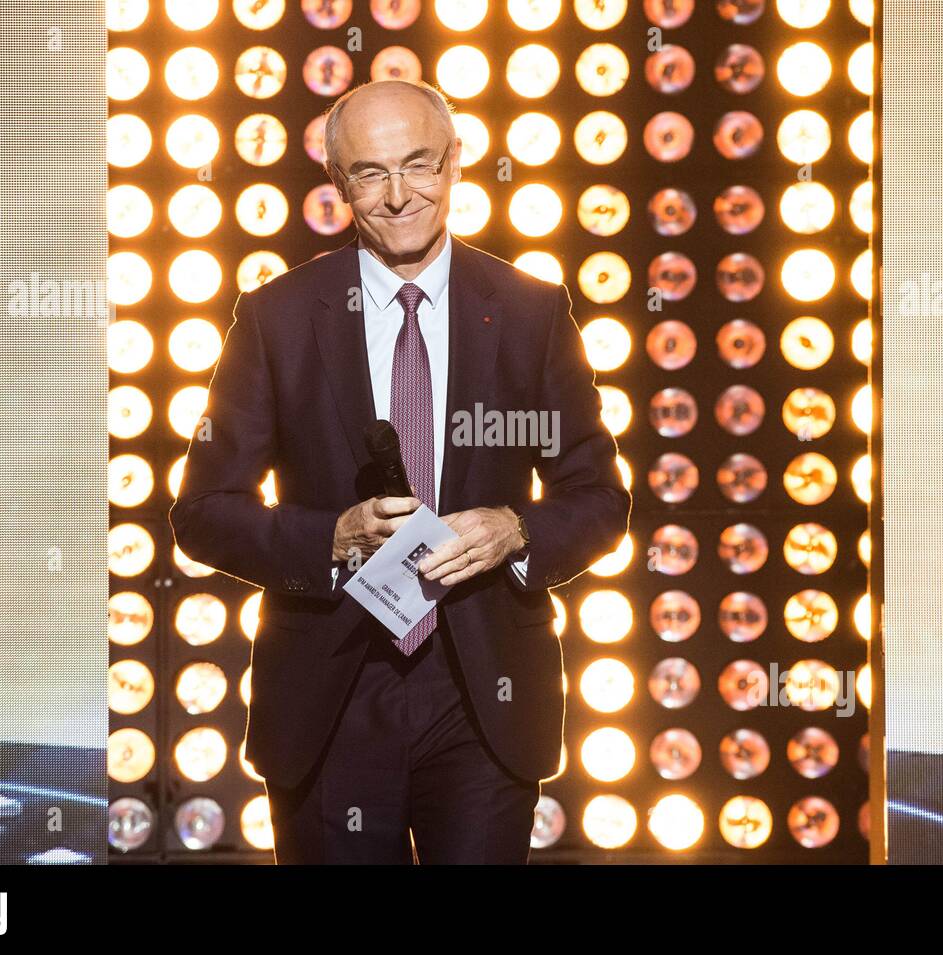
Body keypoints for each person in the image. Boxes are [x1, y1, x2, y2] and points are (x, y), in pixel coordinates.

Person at [170, 79, 630, 863]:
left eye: (419, 164)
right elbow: (203, 511)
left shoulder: (529, 312)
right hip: (331, 694)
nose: (398, 195)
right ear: (338, 185)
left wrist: (517, 528)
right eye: (371, 173)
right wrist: (331, 535)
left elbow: (600, 498)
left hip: (484, 695)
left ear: (455, 163)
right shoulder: (277, 317)